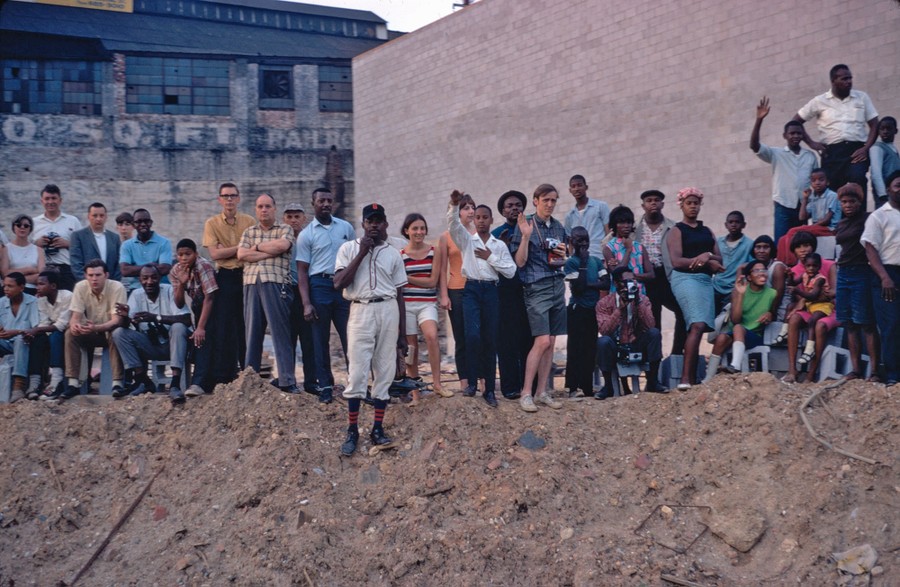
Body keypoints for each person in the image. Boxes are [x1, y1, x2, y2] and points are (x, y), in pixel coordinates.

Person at [333, 203, 408, 456]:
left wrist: (402, 334)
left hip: (388, 308)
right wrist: (362, 252)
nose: (374, 225)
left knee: (385, 370)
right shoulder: (348, 249)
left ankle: (377, 428)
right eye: (370, 221)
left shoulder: (393, 253)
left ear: (385, 223)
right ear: (363, 224)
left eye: (378, 220)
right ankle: (352, 430)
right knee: (357, 372)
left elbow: (400, 294)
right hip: (360, 309)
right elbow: (338, 283)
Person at [448, 193, 516, 407]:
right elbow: (453, 226)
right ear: (474, 220)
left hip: (491, 291)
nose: (481, 221)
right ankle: (471, 383)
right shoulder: (468, 241)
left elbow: (511, 271)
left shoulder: (498, 245)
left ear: (491, 220)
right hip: (471, 289)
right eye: (477, 217)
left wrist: (490, 257)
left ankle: (489, 389)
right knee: (472, 335)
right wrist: (454, 205)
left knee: (490, 339)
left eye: (485, 217)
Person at [510, 183, 568, 412]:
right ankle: (526, 392)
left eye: (553, 200)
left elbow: (562, 258)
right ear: (535, 201)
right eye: (546, 200)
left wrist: (563, 254)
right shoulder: (526, 224)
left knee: (551, 342)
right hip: (536, 286)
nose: (550, 204)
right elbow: (520, 262)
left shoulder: (558, 226)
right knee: (542, 340)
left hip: (557, 284)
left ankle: (542, 392)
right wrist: (525, 237)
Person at [295, 188, 355, 402]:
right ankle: (326, 387)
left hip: (343, 288)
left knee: (351, 338)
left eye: (329, 200)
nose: (326, 204)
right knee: (320, 340)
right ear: (313, 203)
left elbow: (354, 260)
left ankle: (356, 385)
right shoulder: (306, 235)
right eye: (321, 200)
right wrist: (306, 303)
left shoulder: (346, 228)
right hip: (319, 286)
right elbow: (302, 271)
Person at [793, 64, 879, 209]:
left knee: (858, 179)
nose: (849, 81)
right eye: (844, 79)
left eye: (850, 78)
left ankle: (860, 219)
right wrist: (812, 143)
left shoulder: (861, 97)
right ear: (833, 81)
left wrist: (866, 148)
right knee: (832, 189)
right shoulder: (819, 101)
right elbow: (795, 121)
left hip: (856, 151)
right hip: (831, 152)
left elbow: (875, 124)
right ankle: (836, 221)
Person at [237, 194, 298, 394]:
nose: (264, 210)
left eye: (268, 206)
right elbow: (241, 254)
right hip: (251, 283)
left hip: (276, 283)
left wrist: (255, 249)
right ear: (256, 209)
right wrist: (268, 252)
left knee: (280, 332)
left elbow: (282, 246)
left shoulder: (285, 229)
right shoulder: (249, 232)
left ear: (274, 208)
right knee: (252, 333)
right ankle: (250, 381)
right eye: (260, 206)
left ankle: (287, 380)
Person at [665, 187, 724, 390]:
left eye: (696, 203)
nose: (693, 207)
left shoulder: (707, 231)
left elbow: (719, 258)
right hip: (685, 279)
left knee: (697, 327)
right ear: (681, 205)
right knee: (697, 324)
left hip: (705, 281)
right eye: (689, 203)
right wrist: (703, 261)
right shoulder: (676, 230)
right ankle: (684, 379)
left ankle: (691, 377)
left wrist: (707, 256)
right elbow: (677, 261)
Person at [112, 265, 192, 403]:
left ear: (160, 278)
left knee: (178, 327)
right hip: (151, 344)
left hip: (172, 345)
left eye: (153, 277)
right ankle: (142, 381)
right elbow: (128, 325)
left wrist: (156, 318)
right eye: (145, 278)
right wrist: (125, 317)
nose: (149, 282)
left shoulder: (169, 290)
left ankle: (175, 384)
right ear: (140, 280)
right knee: (119, 333)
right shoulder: (136, 294)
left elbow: (186, 319)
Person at [202, 182, 256, 384]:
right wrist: (241, 248)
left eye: (233, 195)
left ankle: (249, 372)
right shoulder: (212, 223)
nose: (229, 199)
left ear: (239, 198)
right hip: (224, 277)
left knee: (246, 324)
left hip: (246, 275)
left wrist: (227, 249)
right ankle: (224, 376)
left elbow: (254, 249)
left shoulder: (249, 221)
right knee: (224, 325)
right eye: (225, 196)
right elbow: (215, 255)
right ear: (220, 199)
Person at [750, 96, 819, 244]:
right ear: (785, 136)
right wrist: (759, 120)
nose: (796, 136)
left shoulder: (810, 156)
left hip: (802, 207)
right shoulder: (776, 154)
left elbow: (816, 180)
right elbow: (754, 146)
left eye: (799, 133)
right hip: (783, 205)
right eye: (792, 133)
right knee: (782, 243)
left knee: (801, 244)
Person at [400, 212, 452, 404]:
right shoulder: (400, 255)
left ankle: (437, 383)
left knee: (431, 336)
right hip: (407, 304)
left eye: (422, 228)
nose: (419, 232)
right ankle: (415, 392)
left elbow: (432, 282)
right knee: (411, 348)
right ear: (407, 231)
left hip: (426, 303)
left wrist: (407, 278)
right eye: (415, 228)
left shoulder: (433, 251)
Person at [60, 259, 126, 400]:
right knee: (70, 334)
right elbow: (75, 316)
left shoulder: (117, 287)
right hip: (91, 331)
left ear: (106, 275)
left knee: (116, 333)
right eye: (90, 275)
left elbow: (117, 321)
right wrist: (75, 325)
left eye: (98, 275)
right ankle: (73, 383)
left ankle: (117, 383)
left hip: (109, 330)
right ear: (85, 276)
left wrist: (95, 328)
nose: (94, 279)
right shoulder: (80, 287)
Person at [833, 184, 880, 382]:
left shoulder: (868, 219)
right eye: (844, 202)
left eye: (852, 201)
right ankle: (856, 370)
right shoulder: (841, 223)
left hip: (862, 271)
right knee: (849, 323)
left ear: (859, 202)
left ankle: (875, 371)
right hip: (843, 273)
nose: (848, 205)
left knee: (866, 323)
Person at [596, 267, 665, 395]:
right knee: (603, 341)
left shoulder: (643, 299)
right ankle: (608, 386)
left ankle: (653, 381)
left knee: (654, 333)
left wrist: (638, 303)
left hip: (636, 342)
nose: (630, 284)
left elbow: (650, 325)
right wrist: (619, 310)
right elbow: (605, 330)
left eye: (632, 281)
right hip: (616, 345)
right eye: (626, 282)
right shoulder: (604, 303)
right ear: (616, 283)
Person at [634, 189, 686, 356]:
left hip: (667, 276)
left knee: (682, 310)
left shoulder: (673, 227)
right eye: (649, 200)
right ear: (643, 205)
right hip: (645, 278)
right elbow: (607, 241)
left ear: (662, 204)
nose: (653, 203)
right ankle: (654, 360)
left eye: (657, 200)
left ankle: (676, 354)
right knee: (652, 320)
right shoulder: (635, 228)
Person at [704, 261, 777, 379]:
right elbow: (735, 320)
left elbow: (773, 313)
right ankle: (708, 377)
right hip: (736, 333)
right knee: (722, 338)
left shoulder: (772, 294)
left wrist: (770, 314)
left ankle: (735, 366)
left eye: (764, 270)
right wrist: (741, 295)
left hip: (755, 335)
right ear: (749, 277)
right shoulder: (738, 291)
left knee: (738, 328)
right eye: (756, 271)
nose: (761, 273)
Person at [862, 170, 900, 385]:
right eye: (898, 185)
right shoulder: (879, 216)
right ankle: (893, 375)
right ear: (888, 189)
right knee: (891, 324)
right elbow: (870, 248)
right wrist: (885, 278)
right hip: (886, 275)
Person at [491, 190, 530, 399]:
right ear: (503, 211)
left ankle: (528, 386)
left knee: (527, 339)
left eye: (518, 205)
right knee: (506, 341)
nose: (514, 208)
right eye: (509, 206)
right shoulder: (496, 234)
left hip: (529, 290)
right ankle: (510, 387)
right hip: (504, 292)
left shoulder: (531, 228)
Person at [171, 239, 219, 397]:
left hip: (216, 304)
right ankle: (200, 382)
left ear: (196, 254)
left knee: (204, 338)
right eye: (180, 255)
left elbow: (210, 297)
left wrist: (200, 327)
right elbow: (179, 303)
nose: (184, 258)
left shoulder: (203, 266)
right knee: (199, 341)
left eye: (188, 254)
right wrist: (181, 283)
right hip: (198, 306)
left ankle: (200, 383)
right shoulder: (176, 270)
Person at [438, 193, 475, 393]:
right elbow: (442, 268)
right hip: (456, 290)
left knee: (477, 336)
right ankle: (464, 381)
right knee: (461, 338)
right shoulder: (446, 236)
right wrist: (444, 295)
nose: (471, 211)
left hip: (477, 288)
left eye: (472, 207)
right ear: (457, 212)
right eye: (466, 207)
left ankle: (480, 379)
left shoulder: (479, 233)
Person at [563, 226, 605, 399]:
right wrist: (582, 265)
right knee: (575, 349)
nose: (583, 244)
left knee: (590, 349)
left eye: (585, 240)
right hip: (577, 310)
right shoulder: (571, 262)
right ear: (571, 242)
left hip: (592, 310)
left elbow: (605, 282)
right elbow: (578, 289)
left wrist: (589, 284)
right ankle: (573, 387)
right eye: (578, 240)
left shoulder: (596, 261)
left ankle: (587, 387)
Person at [282, 202, 317, 396]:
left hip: (307, 292)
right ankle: (289, 380)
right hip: (287, 292)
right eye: (289, 217)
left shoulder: (310, 238)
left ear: (304, 219)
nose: (293, 220)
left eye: (297, 217)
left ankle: (311, 382)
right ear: (284, 219)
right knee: (288, 338)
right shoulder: (280, 239)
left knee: (309, 339)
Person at [24, 271, 72, 400]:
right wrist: (34, 332)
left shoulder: (67, 296)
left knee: (55, 336)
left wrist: (36, 330)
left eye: (41, 284)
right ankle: (35, 382)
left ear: (53, 286)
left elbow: (62, 324)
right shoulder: (41, 300)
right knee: (37, 338)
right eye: (37, 284)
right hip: (53, 331)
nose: (37, 287)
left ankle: (56, 381)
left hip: (70, 332)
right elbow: (44, 323)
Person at [775, 169, 839, 265]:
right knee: (782, 239)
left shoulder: (832, 196)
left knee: (792, 231)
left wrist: (809, 227)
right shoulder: (813, 197)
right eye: (813, 180)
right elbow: (802, 217)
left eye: (821, 180)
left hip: (829, 228)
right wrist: (805, 199)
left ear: (827, 182)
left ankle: (791, 263)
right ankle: (781, 264)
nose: (817, 183)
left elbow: (827, 219)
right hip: (817, 228)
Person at [32, 184, 82, 291]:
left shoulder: (72, 221)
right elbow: (26, 248)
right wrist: (37, 244)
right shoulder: (33, 223)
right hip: (43, 270)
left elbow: (83, 246)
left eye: (54, 198)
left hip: (66, 270)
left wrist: (67, 244)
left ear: (60, 200)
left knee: (67, 299)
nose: (50, 202)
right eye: (47, 199)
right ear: (42, 201)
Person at [0, 272, 39, 402]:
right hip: (5, 342)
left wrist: (16, 332)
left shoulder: (32, 302)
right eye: (5, 285)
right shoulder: (1, 302)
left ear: (21, 287)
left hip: (26, 342)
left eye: (10, 286)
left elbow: (35, 328)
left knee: (20, 340)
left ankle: (19, 386)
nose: (6, 289)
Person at [603, 205, 653, 295]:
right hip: (619, 296)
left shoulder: (640, 247)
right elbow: (616, 274)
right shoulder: (609, 248)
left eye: (629, 222)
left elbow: (651, 275)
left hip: (640, 295)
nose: (626, 226)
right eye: (622, 223)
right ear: (614, 225)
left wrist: (633, 275)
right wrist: (628, 250)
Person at [120, 208, 173, 293]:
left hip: (161, 288)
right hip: (136, 289)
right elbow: (125, 271)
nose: (143, 224)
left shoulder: (164, 242)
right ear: (133, 225)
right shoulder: (127, 245)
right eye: (139, 222)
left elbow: (165, 269)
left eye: (146, 221)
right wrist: (152, 266)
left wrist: (135, 268)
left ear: (151, 223)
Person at [711, 211, 754, 312]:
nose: (733, 225)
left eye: (737, 222)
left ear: (744, 225)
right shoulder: (718, 242)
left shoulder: (749, 244)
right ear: (726, 225)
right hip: (716, 287)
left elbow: (751, 266)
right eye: (730, 222)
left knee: (727, 318)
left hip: (734, 289)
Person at [70, 202, 122, 282]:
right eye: (95, 215)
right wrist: (89, 282)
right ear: (88, 217)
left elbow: (119, 263)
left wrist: (113, 283)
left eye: (101, 215)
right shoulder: (78, 236)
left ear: (106, 217)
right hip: (87, 284)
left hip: (110, 284)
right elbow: (76, 264)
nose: (98, 219)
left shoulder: (114, 238)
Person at [564, 174, 610, 257]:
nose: (576, 189)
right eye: (573, 186)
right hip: (578, 259)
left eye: (579, 185)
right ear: (570, 190)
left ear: (586, 187)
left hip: (599, 256)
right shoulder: (569, 216)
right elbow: (570, 241)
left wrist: (608, 255)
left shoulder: (601, 206)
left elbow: (608, 233)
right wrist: (571, 258)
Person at [746, 235, 788, 322]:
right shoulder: (753, 266)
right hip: (761, 304)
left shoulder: (777, 267)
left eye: (766, 247)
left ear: (771, 250)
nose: (761, 251)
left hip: (777, 307)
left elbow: (777, 296)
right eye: (758, 247)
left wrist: (770, 313)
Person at [1, 214, 44, 295]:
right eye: (18, 225)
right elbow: (5, 274)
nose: (22, 227)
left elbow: (41, 276)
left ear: (30, 229)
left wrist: (16, 279)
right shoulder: (6, 249)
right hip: (12, 292)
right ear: (14, 227)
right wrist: (29, 270)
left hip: (33, 290)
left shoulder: (39, 250)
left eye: (26, 225)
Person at [870, 117, 899, 207]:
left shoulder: (893, 148)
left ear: (896, 131)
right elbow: (876, 173)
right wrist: (882, 195)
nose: (885, 131)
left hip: (894, 191)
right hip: (885, 193)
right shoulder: (877, 148)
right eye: (882, 129)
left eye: (888, 128)